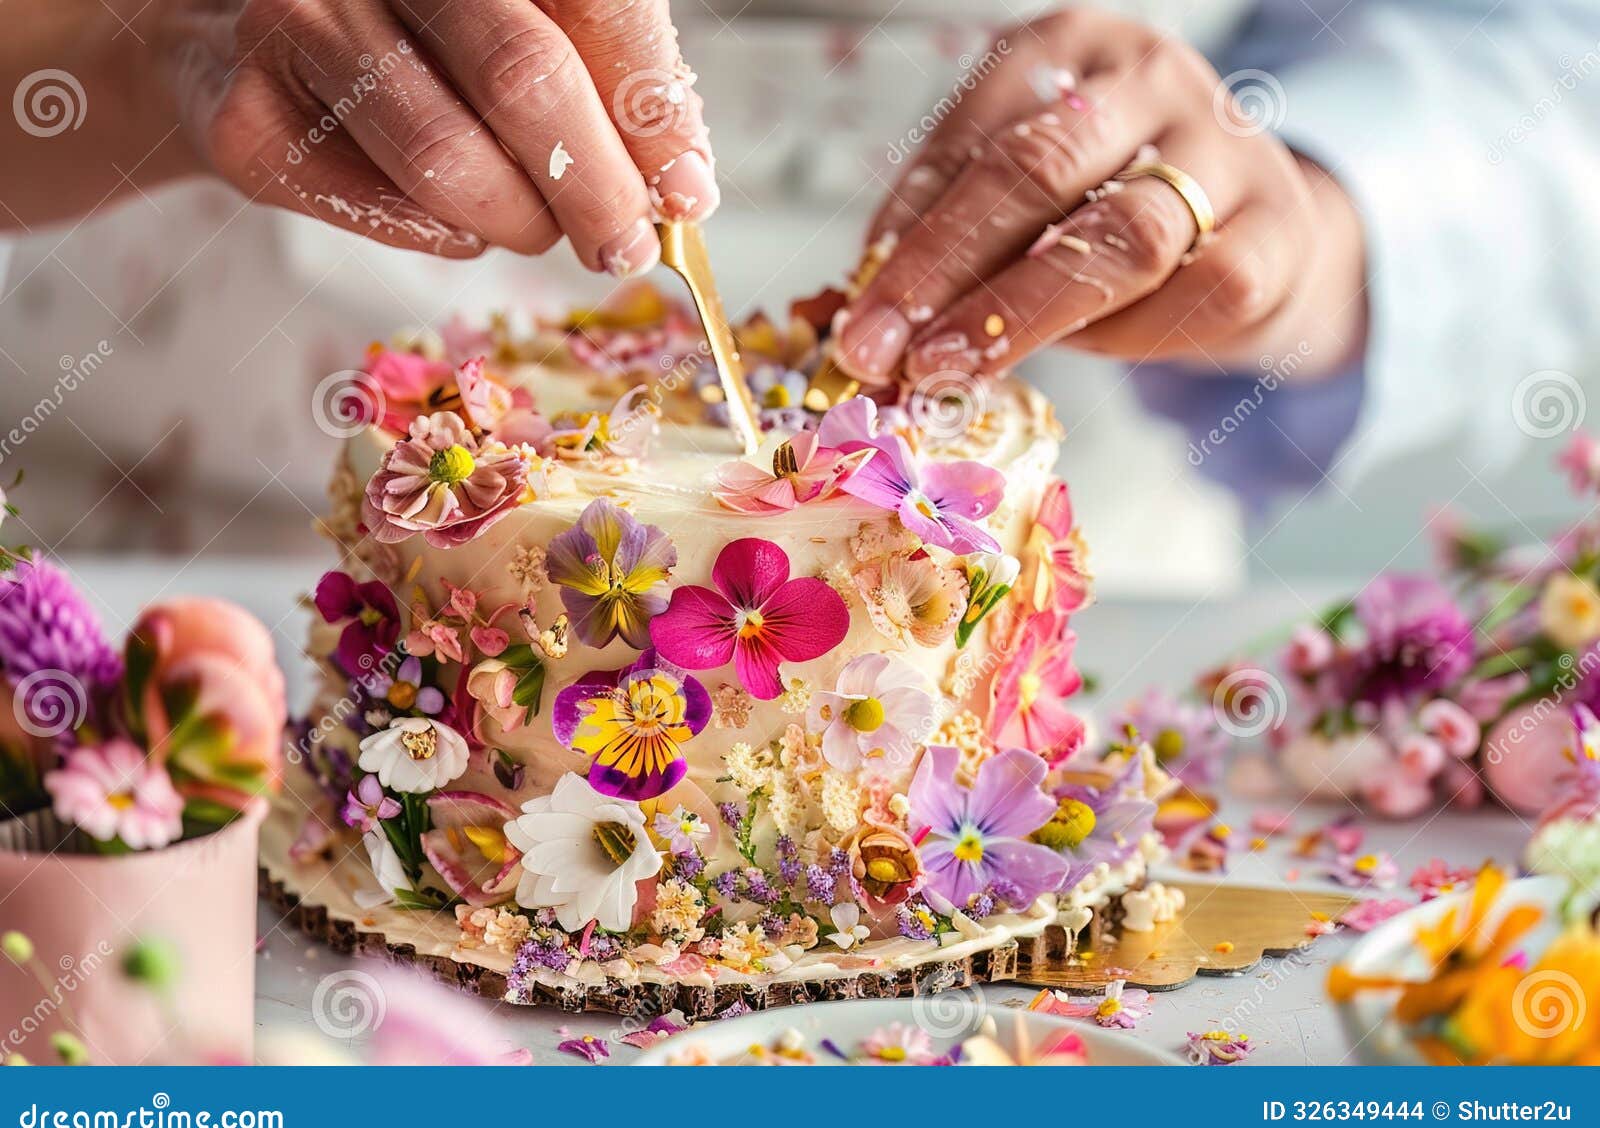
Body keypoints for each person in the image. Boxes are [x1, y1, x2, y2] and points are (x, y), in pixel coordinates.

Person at [2, 1, 1597, 576]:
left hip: (1080, 667)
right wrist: (139, 51)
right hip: (165, 622)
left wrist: (1312, 216)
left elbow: (1545, 76)